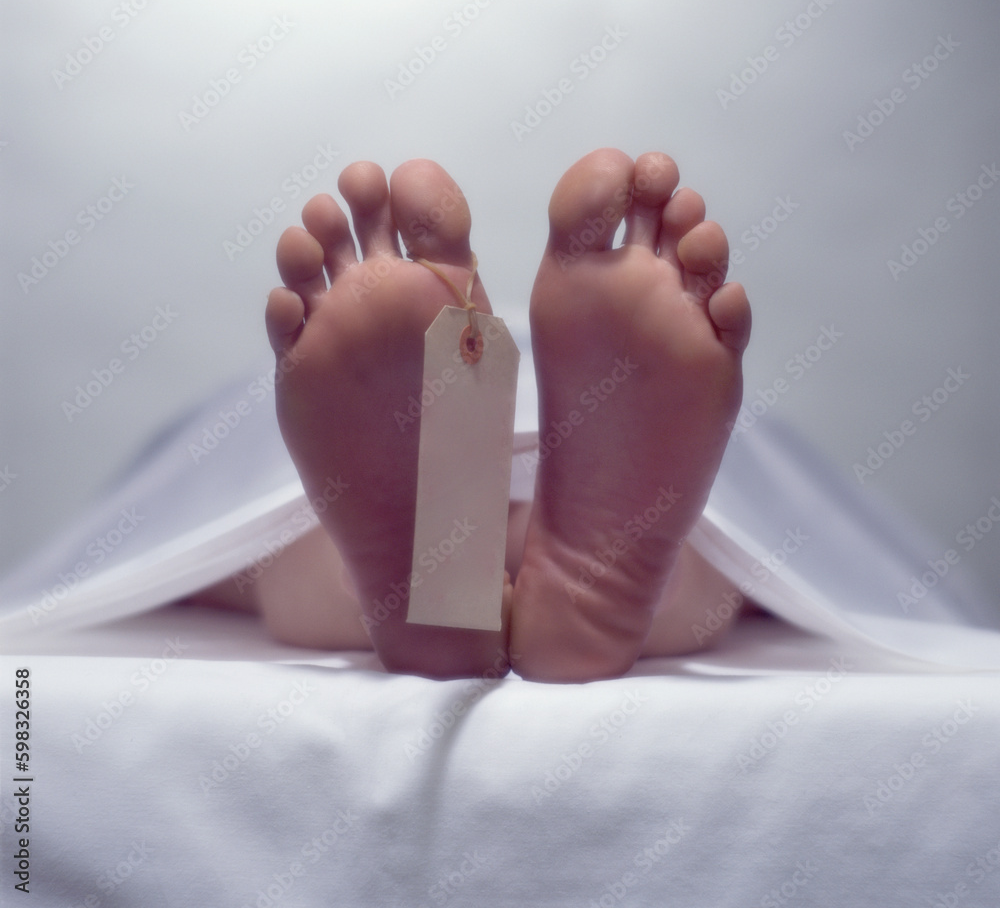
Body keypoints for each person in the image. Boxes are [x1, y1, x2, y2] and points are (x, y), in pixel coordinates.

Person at [191, 148, 753, 683]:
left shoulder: (333, 333)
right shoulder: (661, 319)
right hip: (630, 426)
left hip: (356, 447)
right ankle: (665, 587)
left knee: (232, 545)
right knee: (748, 541)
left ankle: (371, 589)